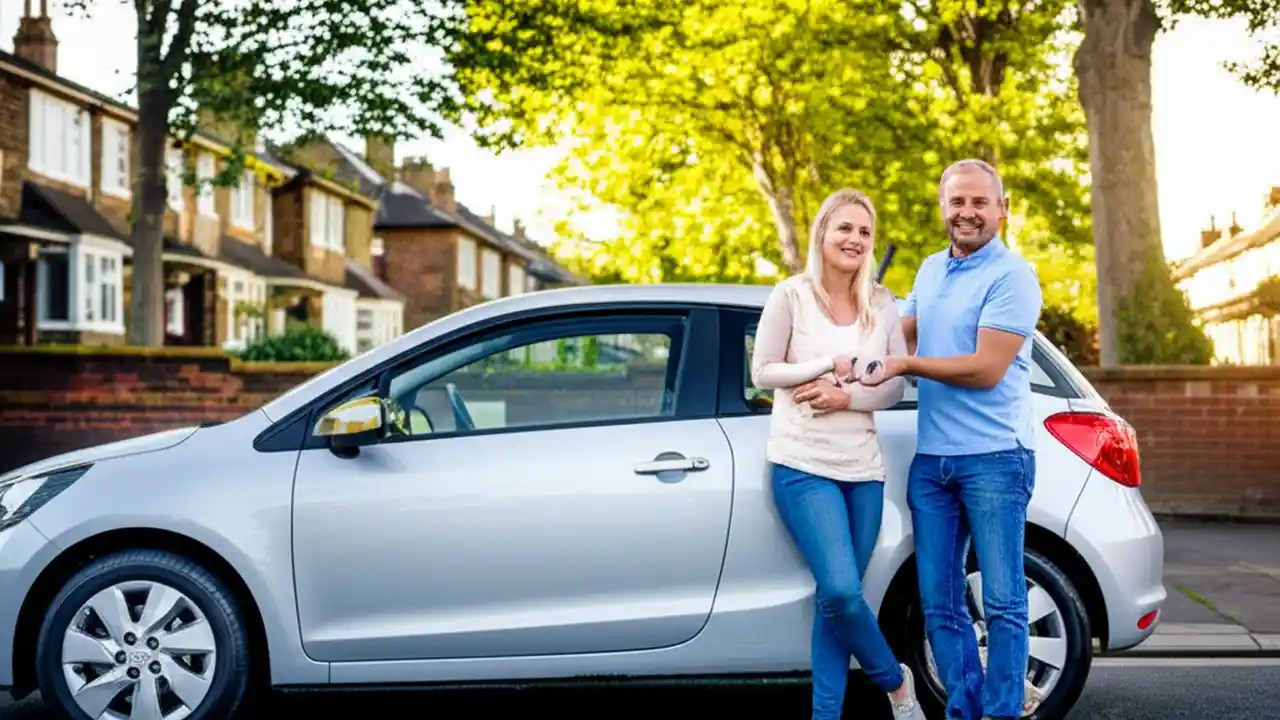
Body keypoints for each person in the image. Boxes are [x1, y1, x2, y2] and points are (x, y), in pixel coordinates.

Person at [858, 159, 1044, 720]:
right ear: (943, 207)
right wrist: (858, 306)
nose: (967, 212)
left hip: (995, 461)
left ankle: (1002, 711)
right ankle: (966, 709)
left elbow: (986, 368)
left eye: (979, 202)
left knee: (1005, 602)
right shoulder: (931, 270)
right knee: (939, 604)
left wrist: (904, 362)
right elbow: (896, 332)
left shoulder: (1013, 276)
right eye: (956, 202)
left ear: (1002, 209)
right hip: (933, 462)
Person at [750, 188, 926, 720]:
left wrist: (845, 395)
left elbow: (894, 387)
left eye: (864, 231)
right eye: (844, 228)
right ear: (823, 233)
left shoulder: (883, 305)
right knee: (844, 592)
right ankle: (897, 683)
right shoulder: (791, 296)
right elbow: (762, 373)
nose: (854, 239)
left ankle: (825, 715)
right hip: (804, 467)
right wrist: (826, 363)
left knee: (834, 602)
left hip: (864, 472)